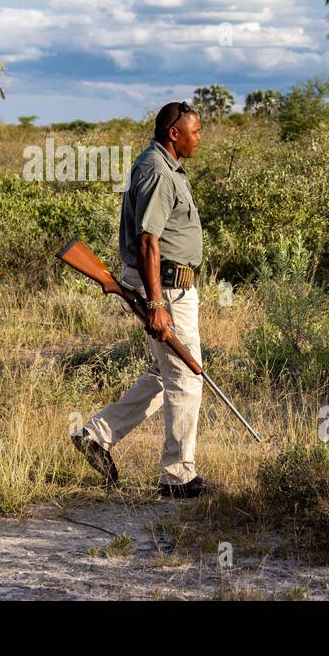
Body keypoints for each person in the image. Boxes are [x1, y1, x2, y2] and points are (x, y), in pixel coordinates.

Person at [72, 101, 210, 498]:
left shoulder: (166, 167)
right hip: (165, 287)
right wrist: (156, 304)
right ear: (174, 134)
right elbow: (148, 240)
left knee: (166, 373)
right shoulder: (156, 170)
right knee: (186, 377)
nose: (199, 139)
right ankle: (177, 477)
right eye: (195, 132)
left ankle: (96, 435)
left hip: (171, 286)